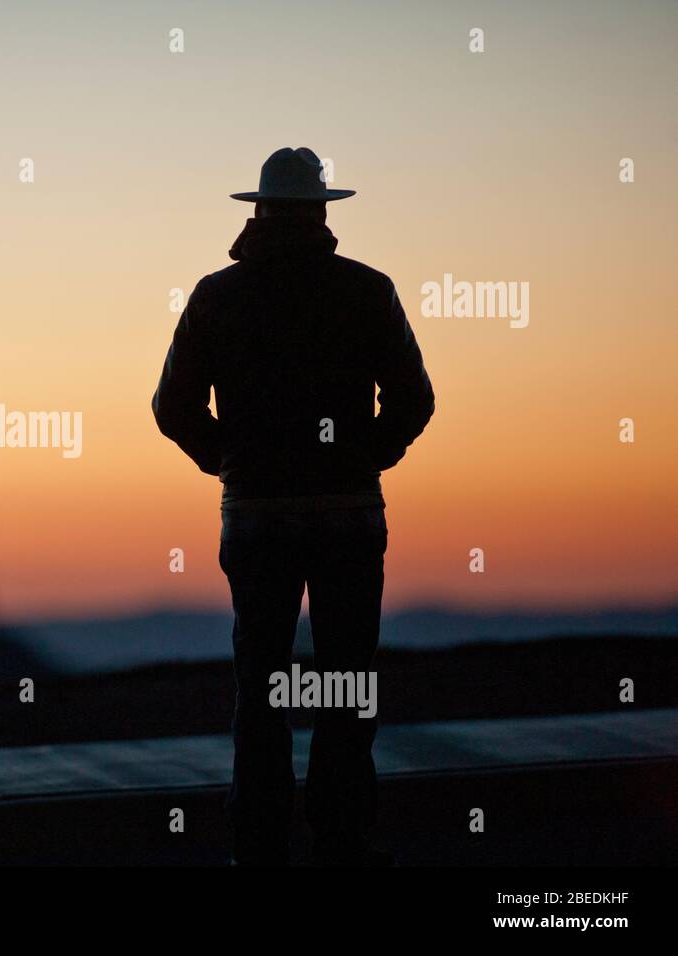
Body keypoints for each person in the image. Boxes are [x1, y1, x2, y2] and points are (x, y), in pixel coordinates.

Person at [152, 147, 434, 865]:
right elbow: (416, 399)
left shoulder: (216, 296)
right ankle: (340, 836)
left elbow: (172, 406)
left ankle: (261, 839)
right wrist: (368, 455)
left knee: (262, 680)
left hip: (255, 518)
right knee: (346, 677)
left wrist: (226, 461)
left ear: (257, 212)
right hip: (347, 516)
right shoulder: (367, 290)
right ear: (322, 212)